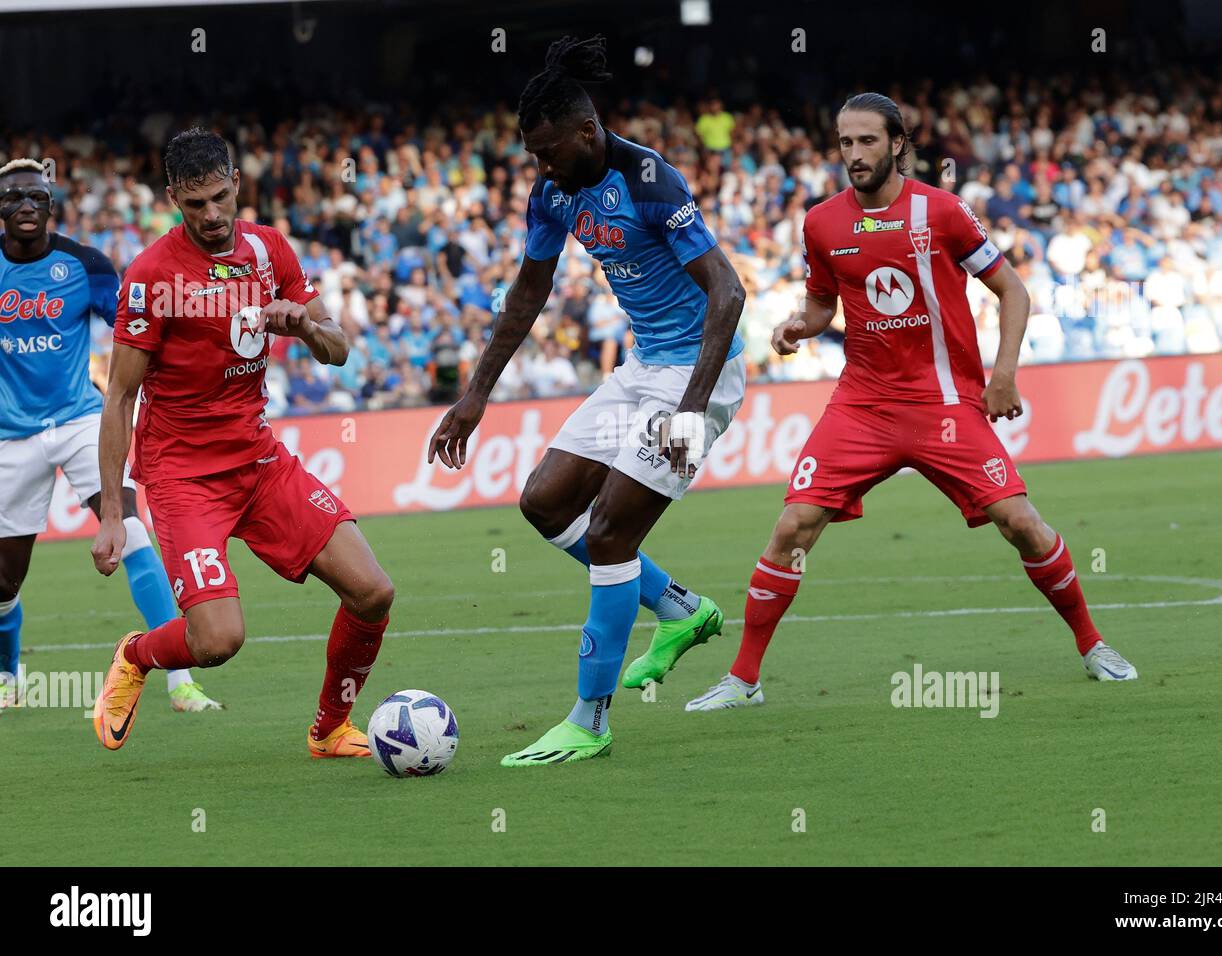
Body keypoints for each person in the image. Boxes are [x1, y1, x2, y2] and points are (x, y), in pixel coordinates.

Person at [674, 93, 1137, 712]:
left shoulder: (943, 212)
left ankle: (1093, 643)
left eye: (867, 141)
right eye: (845, 142)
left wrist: (1003, 376)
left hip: (945, 405)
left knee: (1021, 523)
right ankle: (744, 679)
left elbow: (1014, 291)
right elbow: (821, 303)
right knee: (792, 526)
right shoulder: (822, 223)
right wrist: (798, 326)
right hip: (862, 406)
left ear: (897, 144)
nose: (854, 154)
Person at [429, 36, 747, 765]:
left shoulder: (649, 180)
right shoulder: (554, 192)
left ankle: (589, 720)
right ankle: (681, 611)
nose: (542, 169)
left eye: (550, 153)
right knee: (544, 503)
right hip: (642, 367)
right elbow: (528, 293)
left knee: (609, 534)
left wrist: (692, 411)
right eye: (533, 156)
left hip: (703, 371)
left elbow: (728, 291)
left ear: (587, 132)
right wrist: (476, 395)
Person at [90, 129, 394, 756]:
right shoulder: (151, 275)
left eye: (221, 198)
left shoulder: (268, 248)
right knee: (217, 641)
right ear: (173, 196)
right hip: (182, 477)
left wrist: (304, 324)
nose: (211, 215)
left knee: (373, 591)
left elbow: (339, 351)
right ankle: (138, 653)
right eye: (194, 203)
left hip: (259, 462)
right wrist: (114, 514)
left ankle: (329, 727)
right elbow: (121, 397)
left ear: (237, 182)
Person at [0, 158, 221, 713]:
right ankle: (8, 678)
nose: (26, 206)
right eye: (13, 198)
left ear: (52, 206)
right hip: (10, 437)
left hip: (80, 422)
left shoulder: (86, 265)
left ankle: (180, 680)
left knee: (131, 528)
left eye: (36, 197)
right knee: (4, 582)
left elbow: (135, 333)